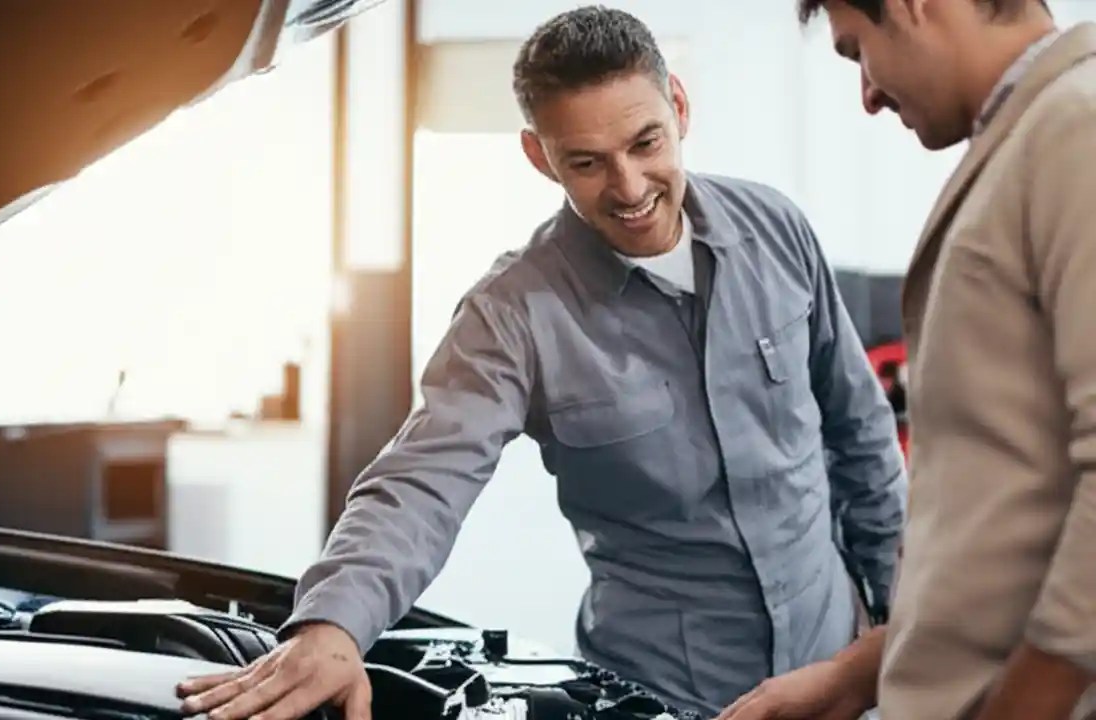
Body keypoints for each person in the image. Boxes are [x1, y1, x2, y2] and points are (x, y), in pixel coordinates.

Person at [177, 6, 906, 719]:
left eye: (645, 143)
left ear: (678, 107)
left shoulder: (777, 229)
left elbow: (862, 435)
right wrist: (333, 623)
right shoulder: (512, 313)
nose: (627, 187)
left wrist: (903, 627)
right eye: (585, 163)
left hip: (835, 675)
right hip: (672, 699)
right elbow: (421, 483)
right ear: (539, 156)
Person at [717, 1, 1096, 719]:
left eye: (857, 49)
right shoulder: (1027, 142)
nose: (868, 94)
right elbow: (1003, 522)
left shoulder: (1076, 129)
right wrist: (859, 673)